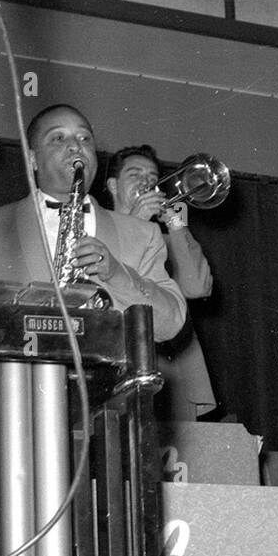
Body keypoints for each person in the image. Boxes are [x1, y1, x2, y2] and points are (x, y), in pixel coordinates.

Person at [0, 105, 186, 341]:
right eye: (58, 138)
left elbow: (171, 324)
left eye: (84, 138)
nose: (76, 146)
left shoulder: (143, 234)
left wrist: (117, 274)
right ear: (32, 159)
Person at [100, 145, 215, 419]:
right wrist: (135, 223)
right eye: (135, 174)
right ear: (113, 185)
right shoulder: (96, 229)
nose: (147, 183)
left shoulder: (167, 239)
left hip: (170, 367)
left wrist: (176, 222)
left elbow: (198, 287)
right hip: (114, 363)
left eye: (152, 177)